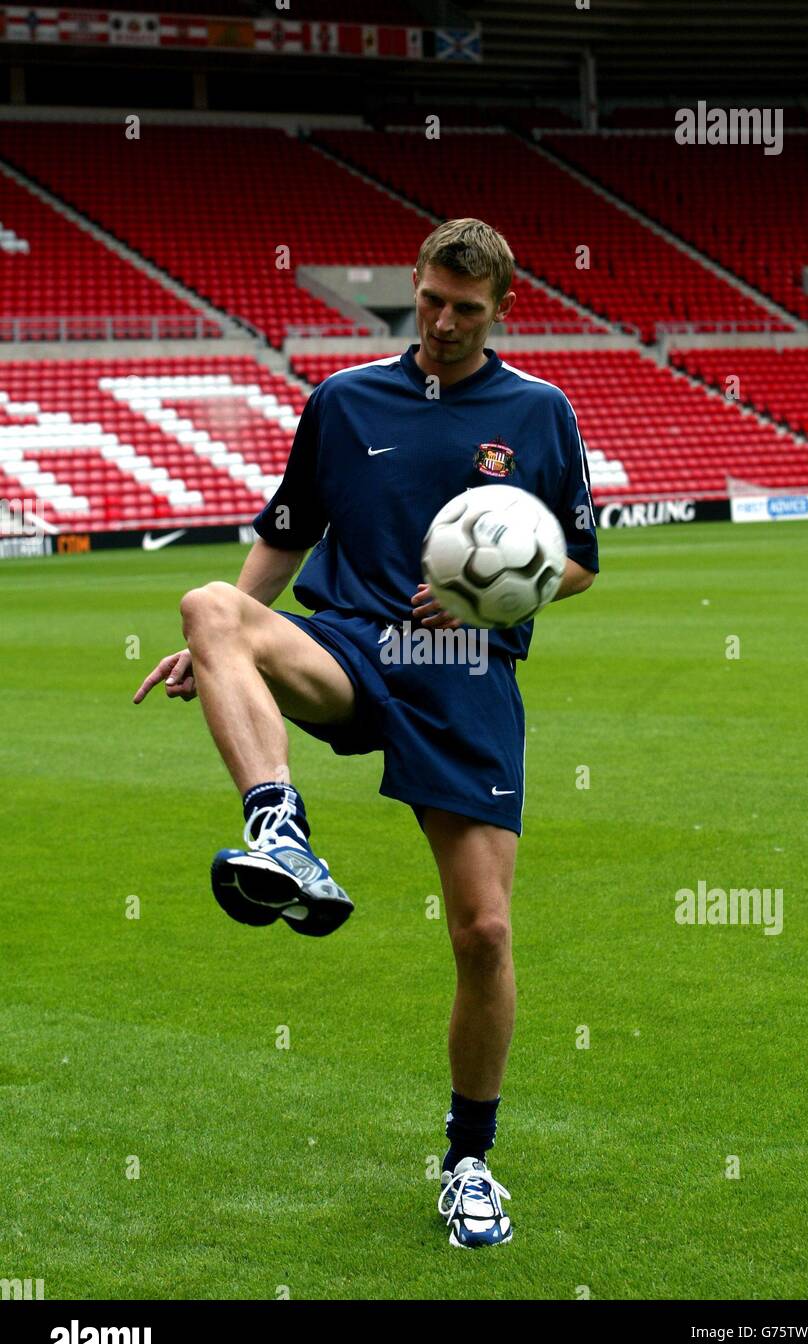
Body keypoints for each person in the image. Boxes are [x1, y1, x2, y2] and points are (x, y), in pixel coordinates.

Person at [134, 218, 598, 1248]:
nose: (440, 323)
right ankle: (280, 832)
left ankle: (468, 1161)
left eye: (463, 309)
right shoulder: (343, 400)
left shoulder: (539, 411)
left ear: (501, 310)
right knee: (207, 603)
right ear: (414, 288)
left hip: (465, 671)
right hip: (350, 645)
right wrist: (225, 642)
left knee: (483, 932)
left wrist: (498, 593)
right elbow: (286, 533)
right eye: (428, 300)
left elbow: (577, 560)